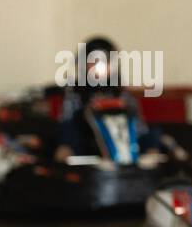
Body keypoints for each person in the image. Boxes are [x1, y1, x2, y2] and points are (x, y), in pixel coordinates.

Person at [54, 36, 167, 164]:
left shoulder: (122, 93)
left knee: (153, 133)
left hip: (122, 142)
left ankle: (149, 164)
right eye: (93, 61)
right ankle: (64, 164)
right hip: (88, 143)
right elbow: (67, 121)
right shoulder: (75, 92)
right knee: (67, 130)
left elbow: (139, 127)